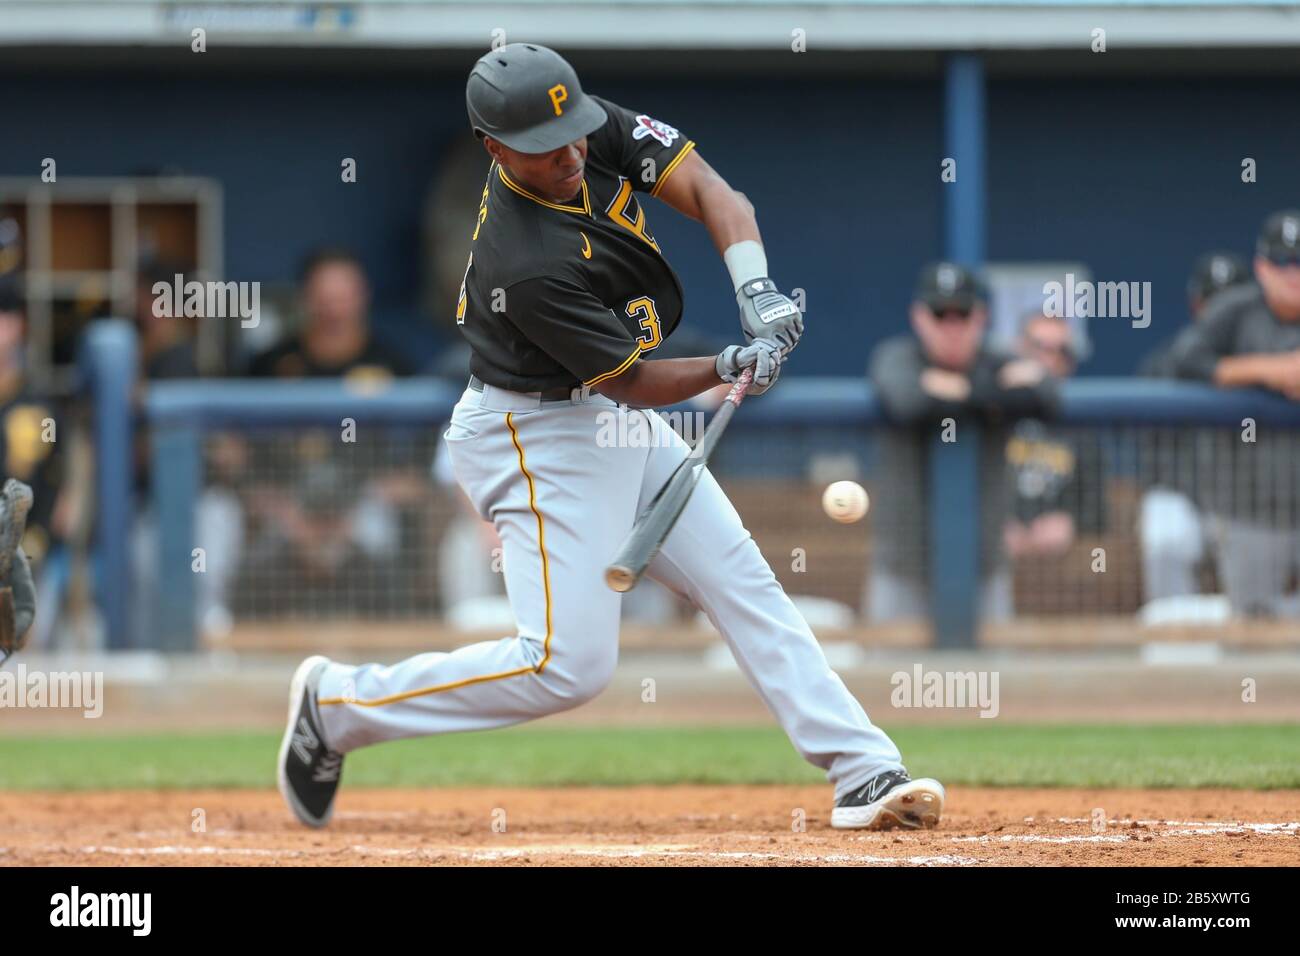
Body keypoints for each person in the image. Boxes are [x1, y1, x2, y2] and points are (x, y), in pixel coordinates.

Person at [279, 43, 944, 833]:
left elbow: (710, 189)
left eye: (574, 134)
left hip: (604, 416)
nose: (569, 155)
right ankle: (336, 705)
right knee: (566, 668)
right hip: (532, 430)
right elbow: (631, 380)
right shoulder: (521, 263)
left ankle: (862, 768)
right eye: (543, 148)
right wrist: (727, 362)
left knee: (741, 580)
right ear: (495, 149)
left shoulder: (578, 124)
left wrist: (755, 289)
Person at [867, 263, 1060, 623]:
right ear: (919, 317)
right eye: (940, 314)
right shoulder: (897, 357)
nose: (952, 326)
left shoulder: (996, 359)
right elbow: (905, 399)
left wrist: (955, 389)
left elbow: (1047, 392)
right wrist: (993, 395)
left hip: (984, 562)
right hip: (905, 562)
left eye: (963, 314)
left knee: (991, 679)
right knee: (892, 679)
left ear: (981, 317)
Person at [1171, 210, 1300, 616]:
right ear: (1262, 267)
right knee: (1253, 630)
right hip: (1250, 506)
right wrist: (1270, 370)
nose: (1292, 273)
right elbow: (1185, 361)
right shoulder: (1236, 309)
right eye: (1282, 262)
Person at [1136, 252, 1249, 605]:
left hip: (1250, 500)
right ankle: (1175, 649)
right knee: (1164, 535)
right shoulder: (1164, 364)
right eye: (1212, 301)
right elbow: (1153, 456)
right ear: (1196, 305)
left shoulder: (1266, 362)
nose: (1220, 312)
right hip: (1183, 494)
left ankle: (1257, 651)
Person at [1004, 310, 1105, 564]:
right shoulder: (992, 411)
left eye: (1060, 351)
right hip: (994, 556)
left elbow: (1098, 509)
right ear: (1019, 349)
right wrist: (995, 522)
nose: (1049, 360)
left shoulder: (1081, 425)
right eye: (1040, 347)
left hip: (1061, 569)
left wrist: (1071, 523)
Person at [250, 248, 413, 381]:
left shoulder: (394, 367)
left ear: (364, 296)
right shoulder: (270, 367)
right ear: (304, 298)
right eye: (324, 299)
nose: (334, 312)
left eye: (344, 299)